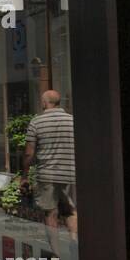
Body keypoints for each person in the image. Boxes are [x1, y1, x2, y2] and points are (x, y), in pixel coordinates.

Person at [21, 90, 77, 251]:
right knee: (70, 209)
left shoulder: (37, 122)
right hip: (70, 173)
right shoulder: (72, 120)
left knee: (50, 213)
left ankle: (56, 253)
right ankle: (74, 239)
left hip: (47, 174)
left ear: (45, 103)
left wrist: (24, 176)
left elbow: (29, 153)